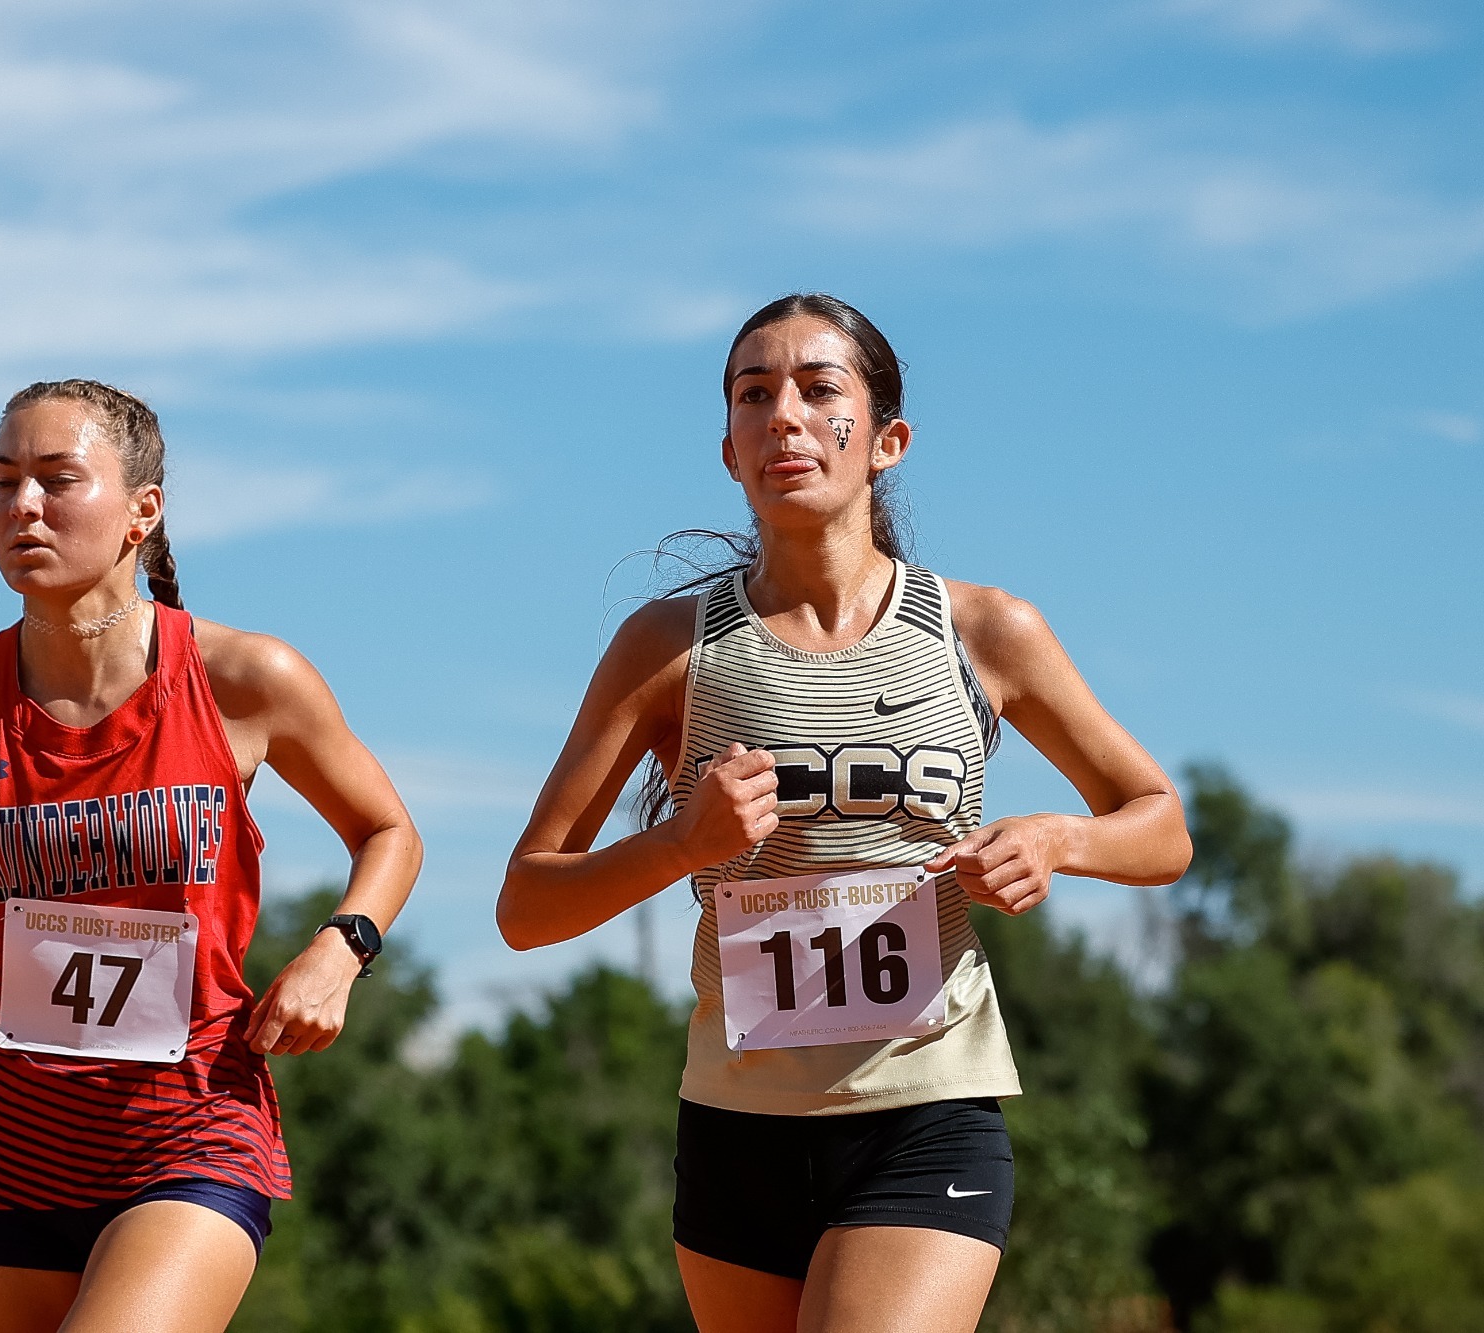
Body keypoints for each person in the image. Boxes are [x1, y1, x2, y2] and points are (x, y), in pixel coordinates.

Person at [496, 294, 1191, 1332]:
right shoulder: (665, 648)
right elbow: (526, 903)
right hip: (735, 1130)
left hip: (923, 1116)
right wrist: (682, 843)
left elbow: (1160, 824)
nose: (782, 414)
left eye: (819, 390)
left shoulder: (984, 630)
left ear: (884, 441)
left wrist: (1056, 839)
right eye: (751, 394)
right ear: (728, 449)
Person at [0, 379, 421, 1333]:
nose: (23, 506)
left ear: (145, 510)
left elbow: (390, 832)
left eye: (56, 479)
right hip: (13, 1153)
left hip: (192, 1131)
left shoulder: (245, 678)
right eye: (3, 482)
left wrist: (341, 949)